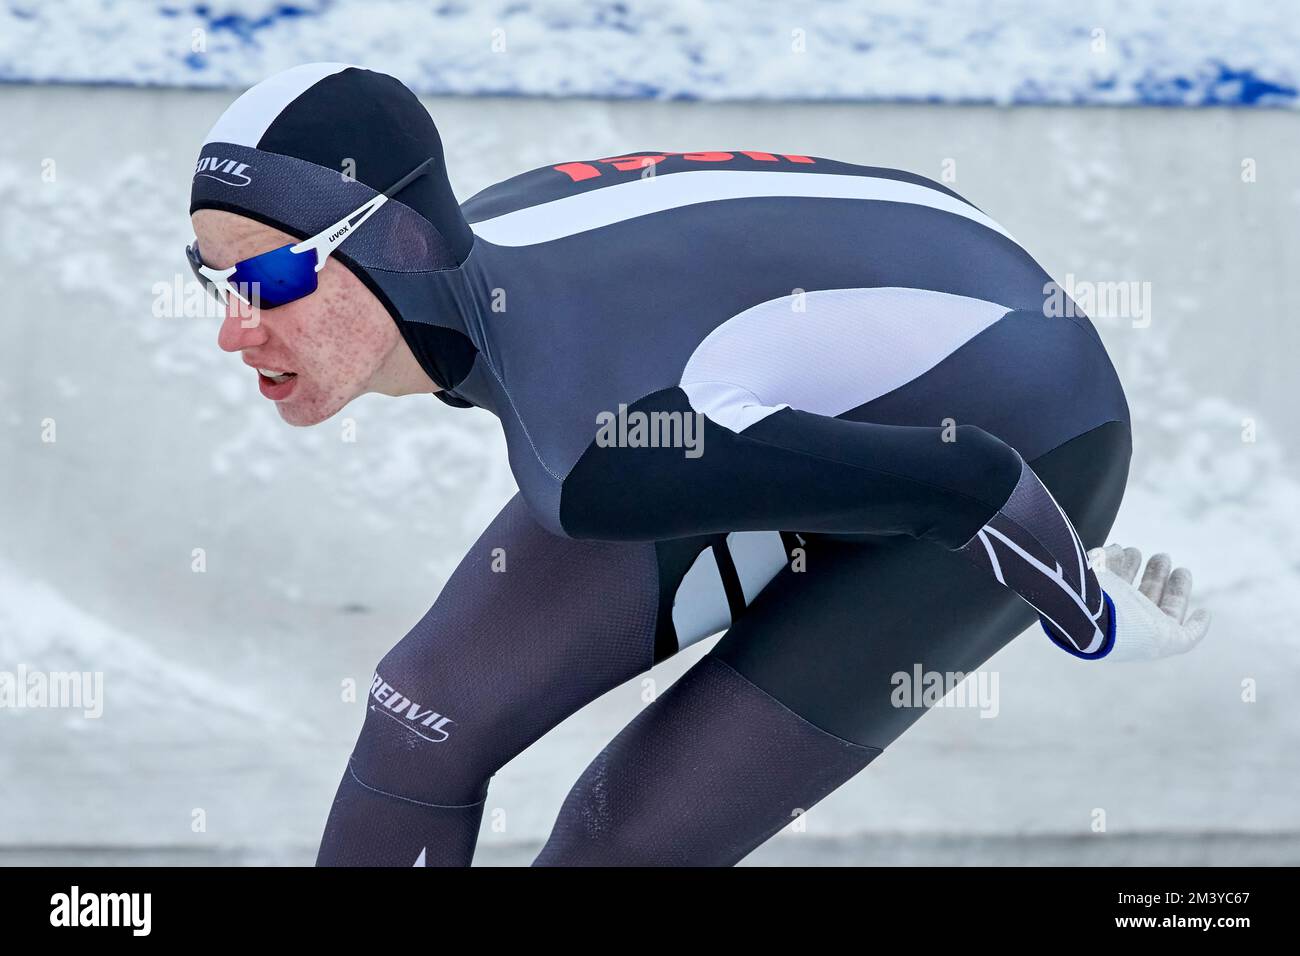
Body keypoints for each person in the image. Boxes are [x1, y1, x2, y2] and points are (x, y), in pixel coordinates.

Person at [187, 62, 1212, 866]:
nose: (235, 331)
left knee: (623, 839)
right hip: (761, 396)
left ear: (399, 243)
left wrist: (1090, 612)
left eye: (269, 276)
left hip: (1026, 427)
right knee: (425, 711)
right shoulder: (505, 315)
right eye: (212, 277)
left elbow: (970, 481)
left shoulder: (588, 431)